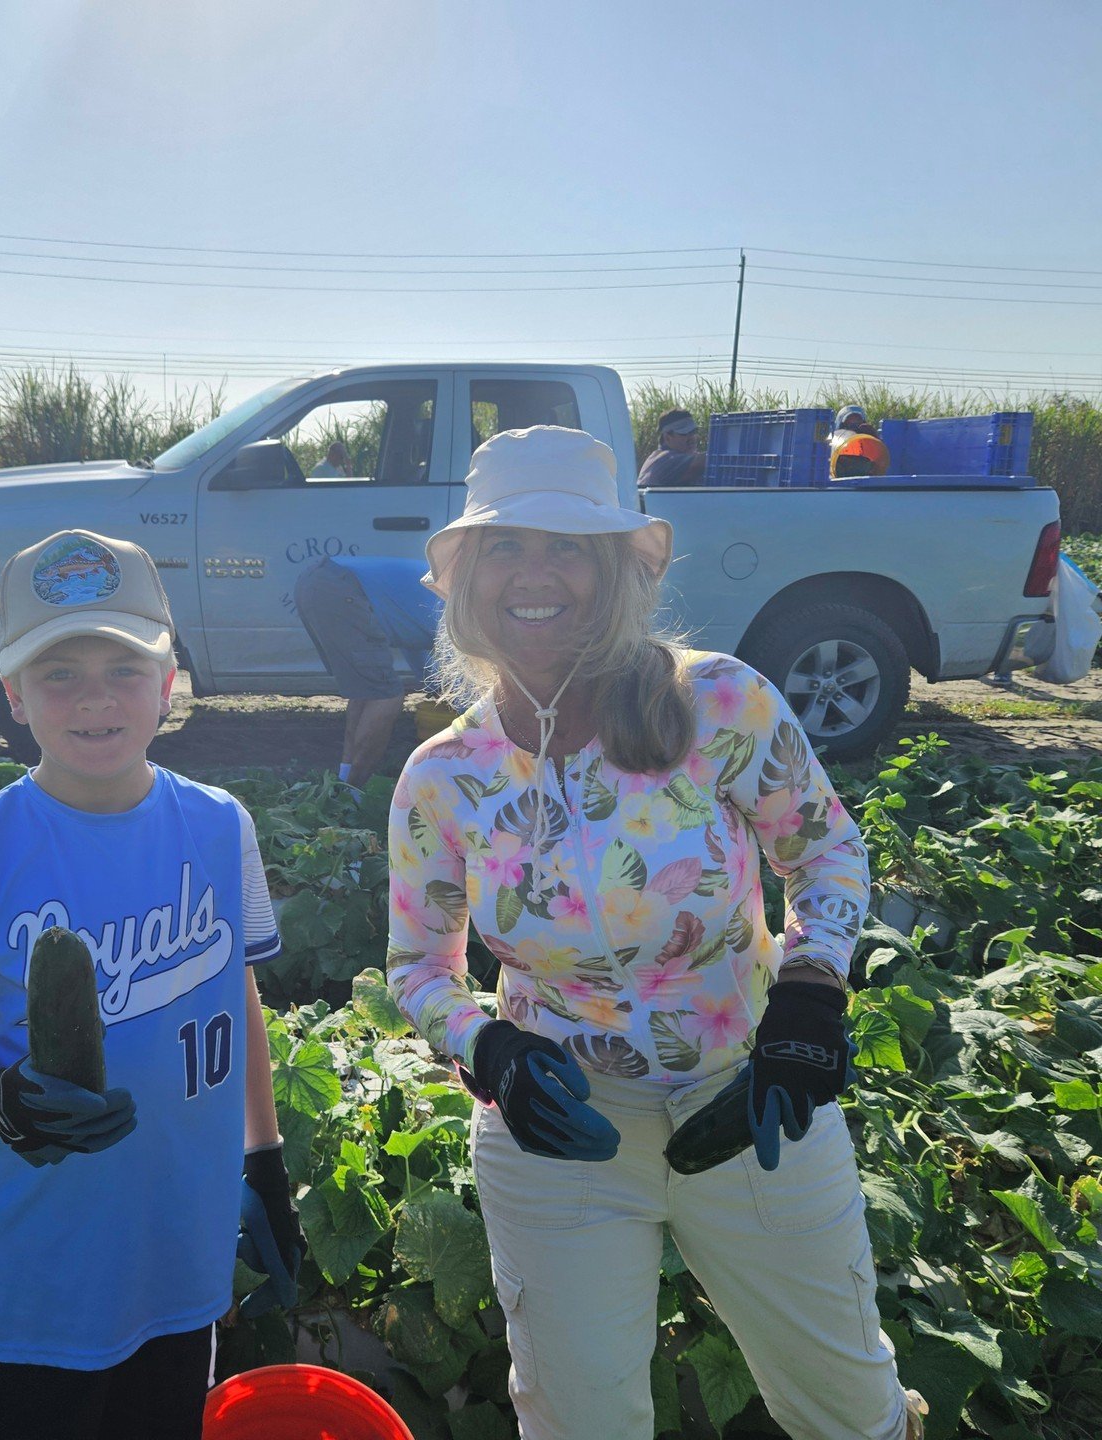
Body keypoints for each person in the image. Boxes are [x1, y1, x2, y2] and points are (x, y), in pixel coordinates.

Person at [386, 427, 926, 1440]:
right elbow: (418, 968)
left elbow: (827, 854)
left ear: (617, 568)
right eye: (505, 547)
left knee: (848, 1407)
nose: (535, 573)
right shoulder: (443, 775)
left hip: (751, 1092)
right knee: (577, 1420)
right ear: (464, 576)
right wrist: (489, 1049)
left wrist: (810, 997)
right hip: (562, 1132)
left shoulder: (715, 702)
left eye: (568, 547)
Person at [0, 528, 305, 1440]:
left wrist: (263, 1162)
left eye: (122, 667)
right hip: (25, 1286)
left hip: (177, 1261)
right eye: (58, 673)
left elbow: (236, 1001)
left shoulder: (219, 827)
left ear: (168, 683)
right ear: (14, 696)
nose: (94, 700)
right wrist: (4, 1103)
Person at [293, 554, 443, 789]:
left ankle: (344, 781)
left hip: (318, 580)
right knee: (387, 696)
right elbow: (462, 682)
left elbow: (418, 647)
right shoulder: (464, 605)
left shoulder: (445, 593)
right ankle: (353, 790)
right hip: (342, 588)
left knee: (367, 692)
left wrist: (437, 688)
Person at [637, 408, 705, 487]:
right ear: (667, 438)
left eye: (693, 432)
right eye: (684, 433)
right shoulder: (665, 459)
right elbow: (701, 463)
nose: (692, 437)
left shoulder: (663, 457)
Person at [830, 404, 891, 478]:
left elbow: (879, 459)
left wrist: (873, 435)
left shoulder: (869, 438)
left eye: (858, 422)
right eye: (850, 423)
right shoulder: (835, 441)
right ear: (841, 425)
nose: (854, 425)